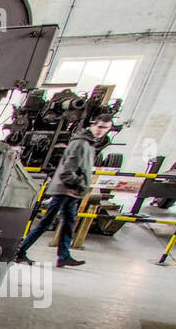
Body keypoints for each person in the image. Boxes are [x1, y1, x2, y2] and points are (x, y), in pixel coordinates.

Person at [16, 110, 115, 267]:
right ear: (93, 125)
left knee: (68, 223)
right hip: (65, 189)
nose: (102, 131)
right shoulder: (81, 143)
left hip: (72, 191)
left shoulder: (88, 143)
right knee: (46, 223)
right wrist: (79, 184)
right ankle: (20, 251)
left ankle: (64, 256)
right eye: (100, 127)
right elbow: (68, 171)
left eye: (106, 129)